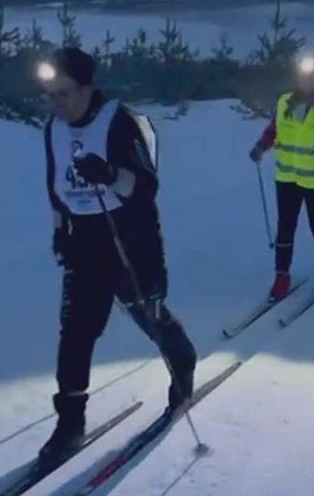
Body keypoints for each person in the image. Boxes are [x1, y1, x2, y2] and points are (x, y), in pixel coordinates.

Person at [37, 46, 198, 462]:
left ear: (87, 87)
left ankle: (182, 361)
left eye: (64, 94)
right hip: (84, 241)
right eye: (50, 95)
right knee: (76, 332)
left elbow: (146, 187)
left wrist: (109, 174)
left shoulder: (121, 122)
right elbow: (55, 188)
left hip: (130, 236)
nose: (56, 104)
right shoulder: (52, 129)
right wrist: (59, 232)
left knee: (149, 316)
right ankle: (69, 424)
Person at [249, 55, 314, 301]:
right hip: (288, 178)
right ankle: (281, 276)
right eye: (302, 77)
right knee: (285, 228)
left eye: (310, 77)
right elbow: (273, 131)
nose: (306, 81)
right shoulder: (284, 102)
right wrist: (261, 146)